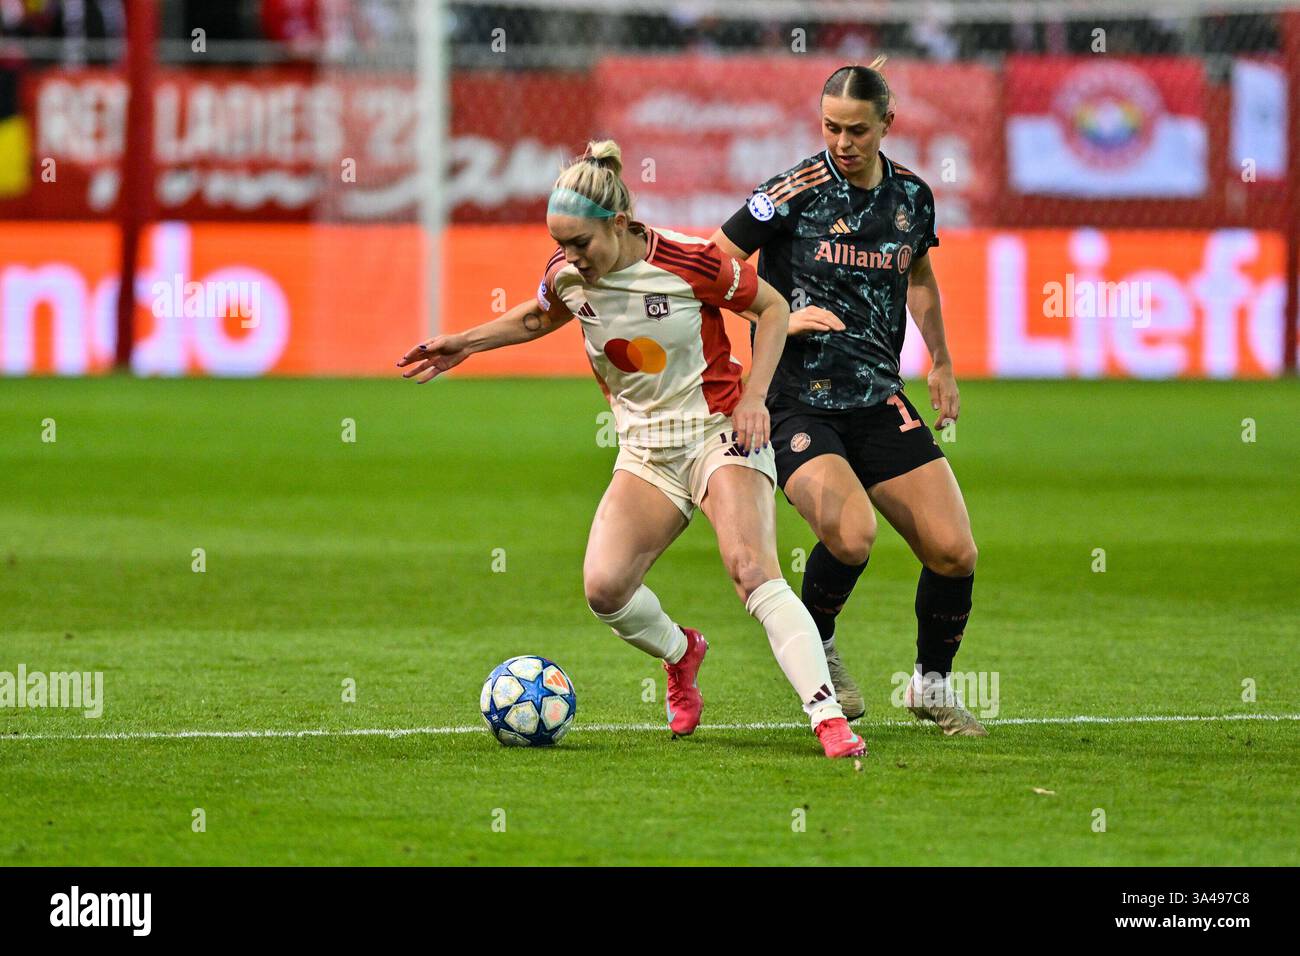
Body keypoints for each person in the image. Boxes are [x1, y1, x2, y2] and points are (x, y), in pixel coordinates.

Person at [398, 140, 866, 758]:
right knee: (605, 589)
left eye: (579, 244)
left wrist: (756, 396)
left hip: (717, 432)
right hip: (645, 452)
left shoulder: (688, 261)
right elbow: (541, 317)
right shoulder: (566, 273)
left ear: (618, 225)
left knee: (751, 569)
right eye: (559, 244)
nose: (569, 258)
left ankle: (828, 717)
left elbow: (773, 307)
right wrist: (465, 343)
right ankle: (682, 653)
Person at [710, 62, 987, 736]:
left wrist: (942, 362)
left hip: (875, 396)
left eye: (857, 130)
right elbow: (711, 264)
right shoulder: (790, 192)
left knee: (955, 551)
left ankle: (930, 686)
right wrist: (774, 315)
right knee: (852, 534)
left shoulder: (913, 197)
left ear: (887, 125)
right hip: (796, 400)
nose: (841, 141)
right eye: (831, 127)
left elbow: (919, 274)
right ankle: (821, 645)